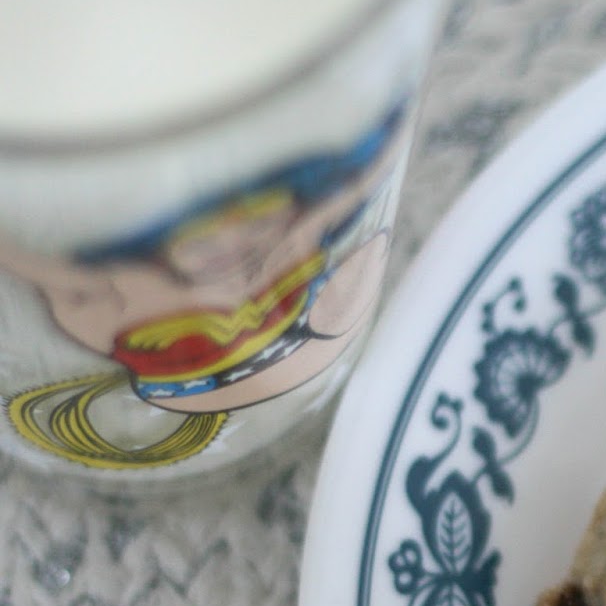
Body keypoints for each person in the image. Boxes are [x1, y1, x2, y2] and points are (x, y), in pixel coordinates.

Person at [0, 105, 405, 468]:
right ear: (163, 255)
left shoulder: (289, 246)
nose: (233, 247)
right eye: (202, 243)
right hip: (188, 383)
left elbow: (356, 190)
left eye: (260, 224)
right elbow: (48, 275)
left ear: (290, 216)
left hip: (310, 371)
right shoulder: (143, 293)